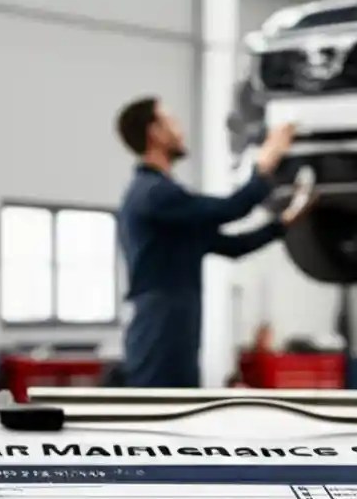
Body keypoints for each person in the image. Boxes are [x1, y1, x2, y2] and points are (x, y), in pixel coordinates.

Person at [114, 96, 310, 388]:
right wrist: (265, 162)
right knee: (161, 405)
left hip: (173, 317)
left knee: (176, 399)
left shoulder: (164, 199)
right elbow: (231, 208)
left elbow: (232, 247)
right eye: (172, 122)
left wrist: (283, 223)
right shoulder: (153, 194)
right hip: (160, 320)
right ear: (155, 132)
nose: (180, 130)